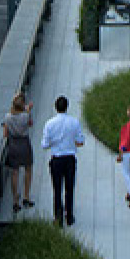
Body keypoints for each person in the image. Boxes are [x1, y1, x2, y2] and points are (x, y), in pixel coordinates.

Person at [41, 95, 85, 227]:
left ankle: (58, 217)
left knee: (57, 189)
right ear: (67, 107)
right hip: (70, 159)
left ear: (56, 108)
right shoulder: (74, 122)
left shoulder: (49, 124)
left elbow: (44, 144)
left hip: (57, 159)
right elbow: (81, 141)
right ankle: (69, 216)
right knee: (69, 188)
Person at [2, 94, 35, 215]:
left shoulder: (8, 117)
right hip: (24, 144)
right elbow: (30, 123)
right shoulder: (25, 116)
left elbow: (5, 134)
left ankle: (15, 200)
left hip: (13, 145)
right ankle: (26, 197)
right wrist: (28, 110)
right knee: (28, 169)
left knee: (14, 173)